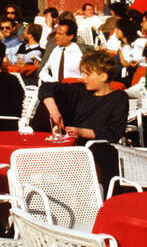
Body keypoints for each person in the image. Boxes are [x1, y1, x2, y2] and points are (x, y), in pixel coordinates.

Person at [36, 51, 130, 183]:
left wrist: (82, 132)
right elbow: (46, 87)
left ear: (103, 76)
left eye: (87, 74)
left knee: (97, 156)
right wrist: (53, 110)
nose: (83, 78)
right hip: (69, 144)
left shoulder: (119, 98)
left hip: (96, 148)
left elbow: (114, 132)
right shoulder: (80, 89)